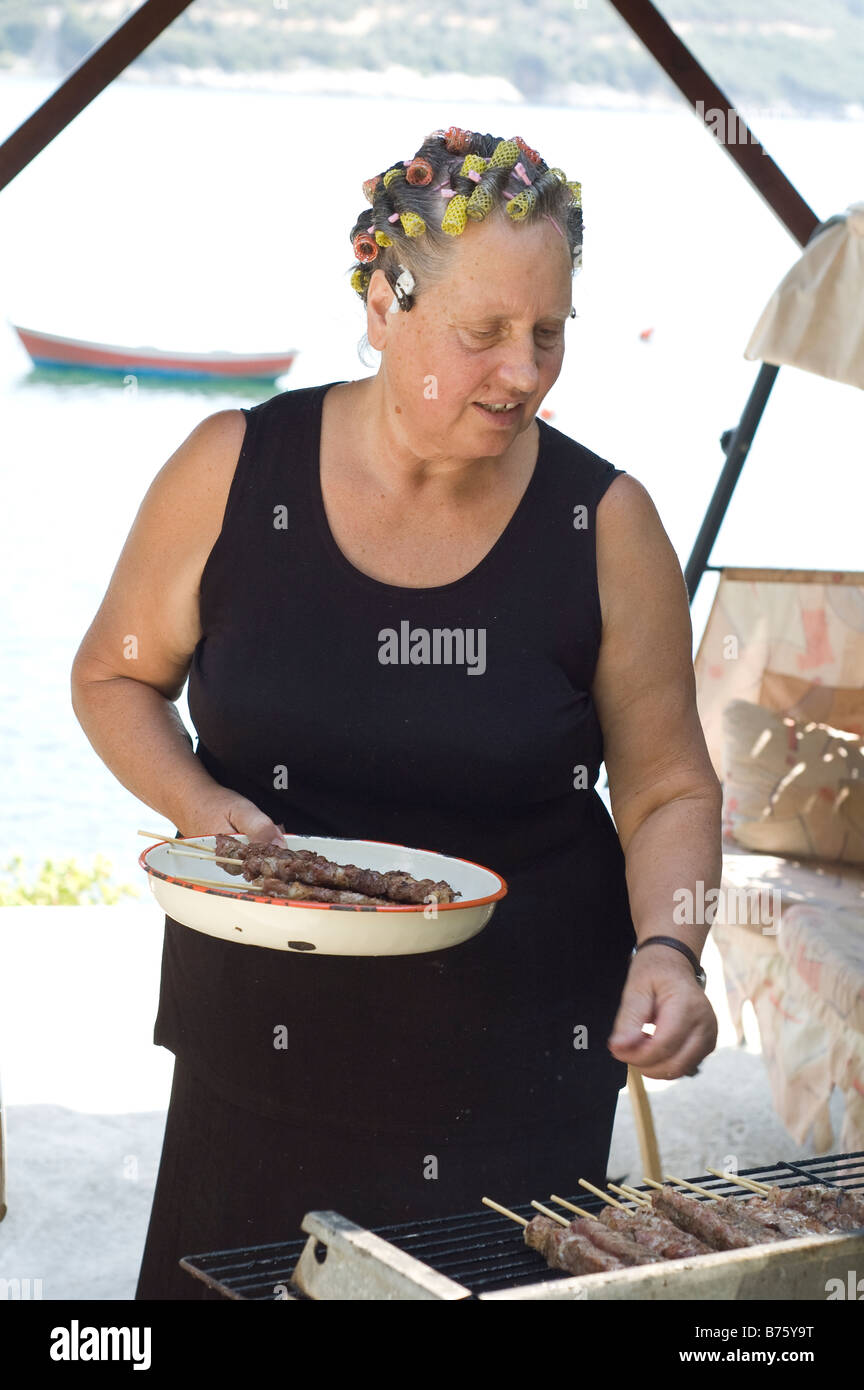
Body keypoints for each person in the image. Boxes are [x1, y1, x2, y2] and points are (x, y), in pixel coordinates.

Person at [71, 127, 721, 1301]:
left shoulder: (608, 524)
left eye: (549, 333)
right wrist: (204, 805)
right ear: (383, 298)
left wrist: (674, 948)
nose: (522, 371)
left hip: (515, 1076)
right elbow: (113, 678)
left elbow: (670, 784)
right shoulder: (232, 469)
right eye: (483, 333)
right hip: (255, 1055)